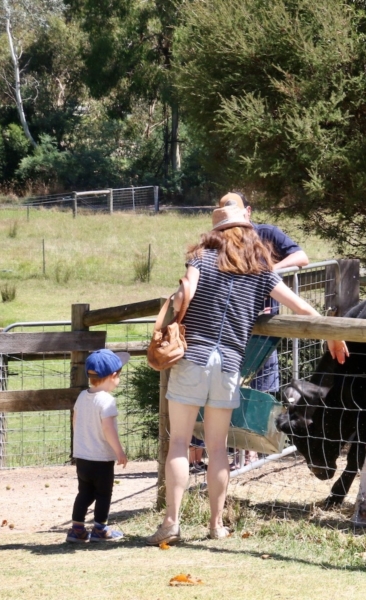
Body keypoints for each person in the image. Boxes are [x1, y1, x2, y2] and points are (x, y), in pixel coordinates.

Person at [146, 200, 348, 545]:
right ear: (247, 231)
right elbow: (300, 307)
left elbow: (183, 296)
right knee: (219, 447)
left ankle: (171, 524)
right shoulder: (260, 269)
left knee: (179, 442)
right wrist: (333, 333)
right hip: (229, 363)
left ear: (216, 232)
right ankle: (216, 525)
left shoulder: (201, 259)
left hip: (194, 356)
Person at [219, 192, 308, 469]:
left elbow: (302, 257)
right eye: (224, 211)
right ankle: (238, 451)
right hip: (233, 327)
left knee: (264, 387)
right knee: (232, 387)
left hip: (265, 326)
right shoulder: (221, 240)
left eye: (235, 211)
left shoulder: (267, 233)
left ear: (248, 211)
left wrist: (270, 271)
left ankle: (259, 448)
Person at [66, 349, 129, 543]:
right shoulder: (107, 401)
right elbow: (108, 428)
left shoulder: (82, 396)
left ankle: (77, 529)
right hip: (101, 458)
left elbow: (75, 421)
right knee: (103, 493)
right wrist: (119, 451)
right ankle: (100, 529)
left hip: (83, 457)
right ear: (112, 376)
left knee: (84, 492)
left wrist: (81, 443)